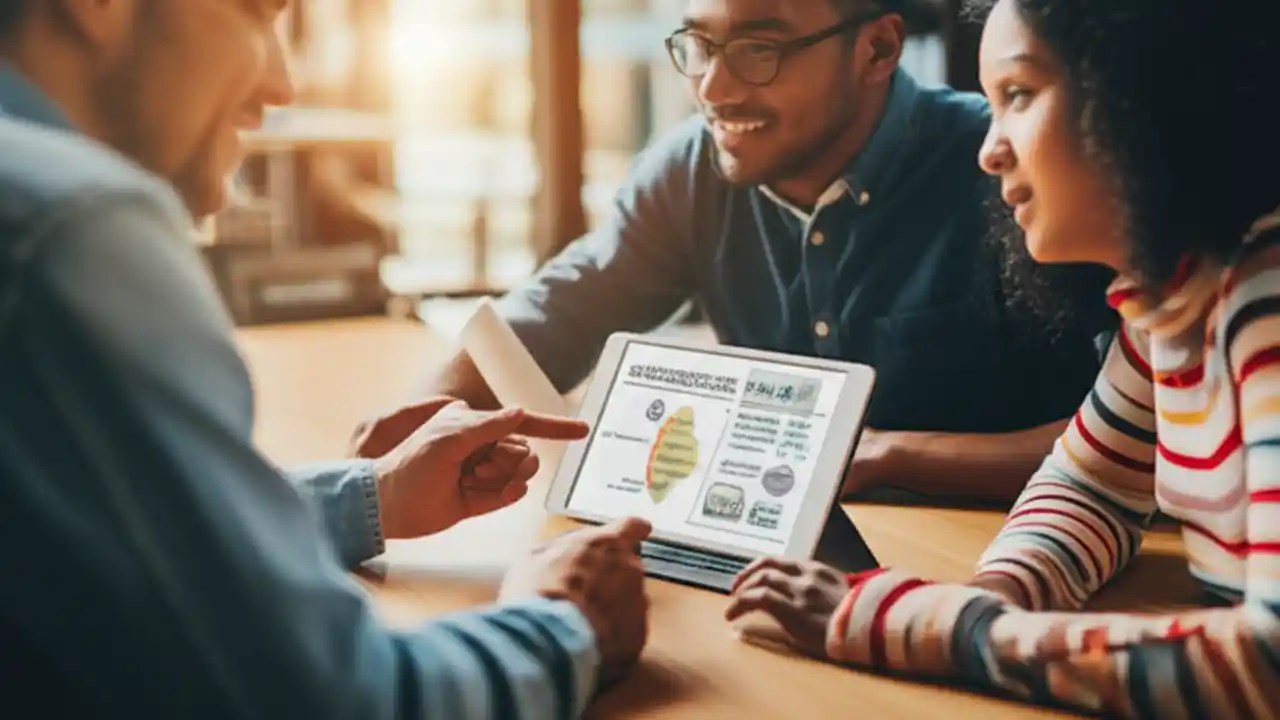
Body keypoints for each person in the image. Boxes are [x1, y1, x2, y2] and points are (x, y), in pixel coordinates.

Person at [0, 1, 652, 716]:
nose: (282, 85)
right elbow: (328, 701)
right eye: (257, 14)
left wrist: (367, 497)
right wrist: (563, 622)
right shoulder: (68, 229)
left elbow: (100, 550)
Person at [725, 0, 1280, 716]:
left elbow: (1268, 664)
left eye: (1018, 95)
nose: (988, 150)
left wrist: (921, 626)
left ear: (1147, 91)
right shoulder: (1169, 304)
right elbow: (1094, 490)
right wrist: (992, 594)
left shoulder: (1266, 300)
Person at [355, 0, 1115, 503]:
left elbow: (1149, 430)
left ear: (878, 48)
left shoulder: (1014, 168)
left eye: (760, 48)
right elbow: (552, 317)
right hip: (796, 569)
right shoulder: (693, 172)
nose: (714, 87)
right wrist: (425, 426)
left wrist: (888, 453)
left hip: (1010, 562)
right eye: (699, 44)